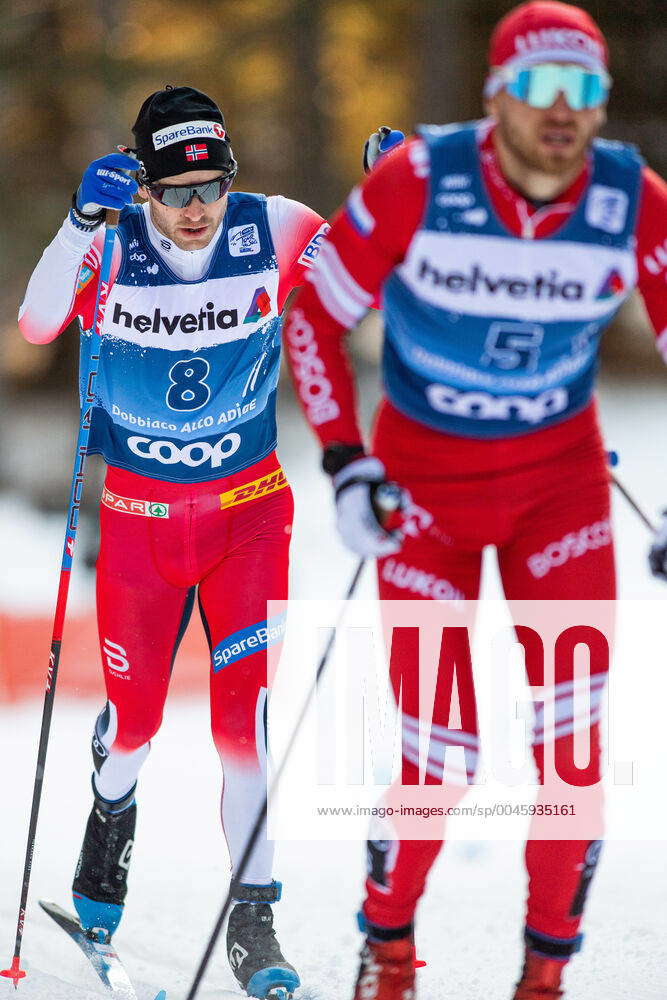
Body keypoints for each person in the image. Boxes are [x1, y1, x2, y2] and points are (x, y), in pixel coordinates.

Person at [283, 2, 667, 998]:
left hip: (560, 500)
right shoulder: (417, 180)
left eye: (582, 90)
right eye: (538, 86)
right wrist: (344, 463)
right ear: (496, 92)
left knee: (568, 761)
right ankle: (389, 952)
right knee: (439, 754)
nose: (560, 109)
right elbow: (314, 315)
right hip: (425, 503)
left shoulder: (632, 201)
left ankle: (543, 977)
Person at [19, 84, 334, 1000]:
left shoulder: (273, 229)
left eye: (211, 186)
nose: (197, 209)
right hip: (142, 529)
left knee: (245, 721)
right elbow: (38, 321)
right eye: (176, 190)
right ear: (145, 189)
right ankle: (106, 838)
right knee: (140, 731)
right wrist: (80, 221)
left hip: (249, 517)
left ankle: (255, 920)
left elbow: (369, 279)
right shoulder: (110, 242)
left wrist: (401, 190)